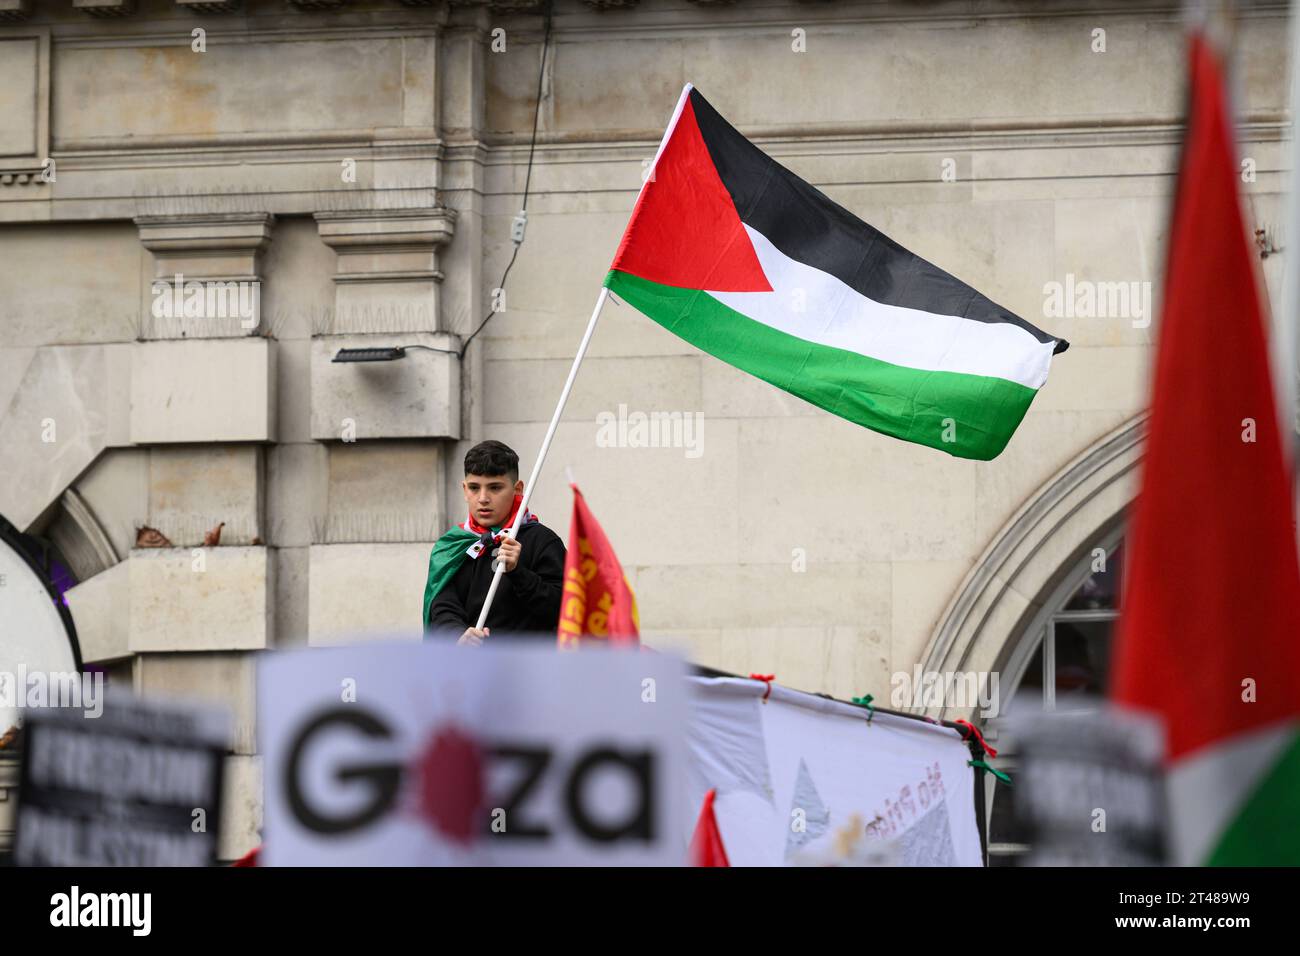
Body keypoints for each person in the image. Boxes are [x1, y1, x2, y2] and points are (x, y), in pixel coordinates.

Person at [423, 440, 566, 644]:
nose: (483, 498)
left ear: (517, 489)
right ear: (464, 490)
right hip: (472, 668)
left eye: (495, 488)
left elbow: (562, 610)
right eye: (474, 488)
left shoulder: (543, 541)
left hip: (529, 668)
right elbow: (442, 606)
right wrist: (458, 635)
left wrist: (518, 573)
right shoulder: (452, 546)